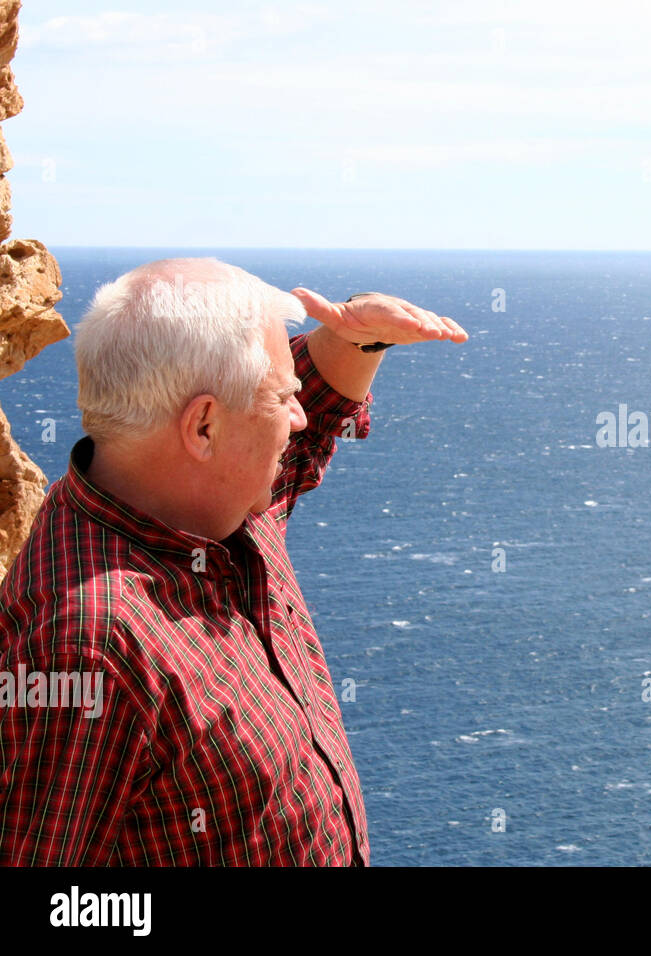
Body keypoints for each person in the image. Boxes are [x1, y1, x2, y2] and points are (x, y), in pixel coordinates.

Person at [0, 258, 466, 865]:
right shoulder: (92, 645)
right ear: (204, 426)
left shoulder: (210, 502)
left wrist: (354, 335)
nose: (297, 417)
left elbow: (313, 420)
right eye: (283, 396)